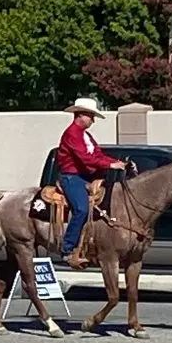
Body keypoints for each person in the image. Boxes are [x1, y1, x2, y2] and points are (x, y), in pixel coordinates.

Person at [57, 98, 126, 269]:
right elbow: (86, 158)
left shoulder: (85, 135)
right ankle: (67, 248)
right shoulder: (72, 134)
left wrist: (115, 162)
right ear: (80, 115)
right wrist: (110, 165)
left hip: (83, 176)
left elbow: (97, 155)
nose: (93, 120)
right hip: (71, 177)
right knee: (81, 209)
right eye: (91, 116)